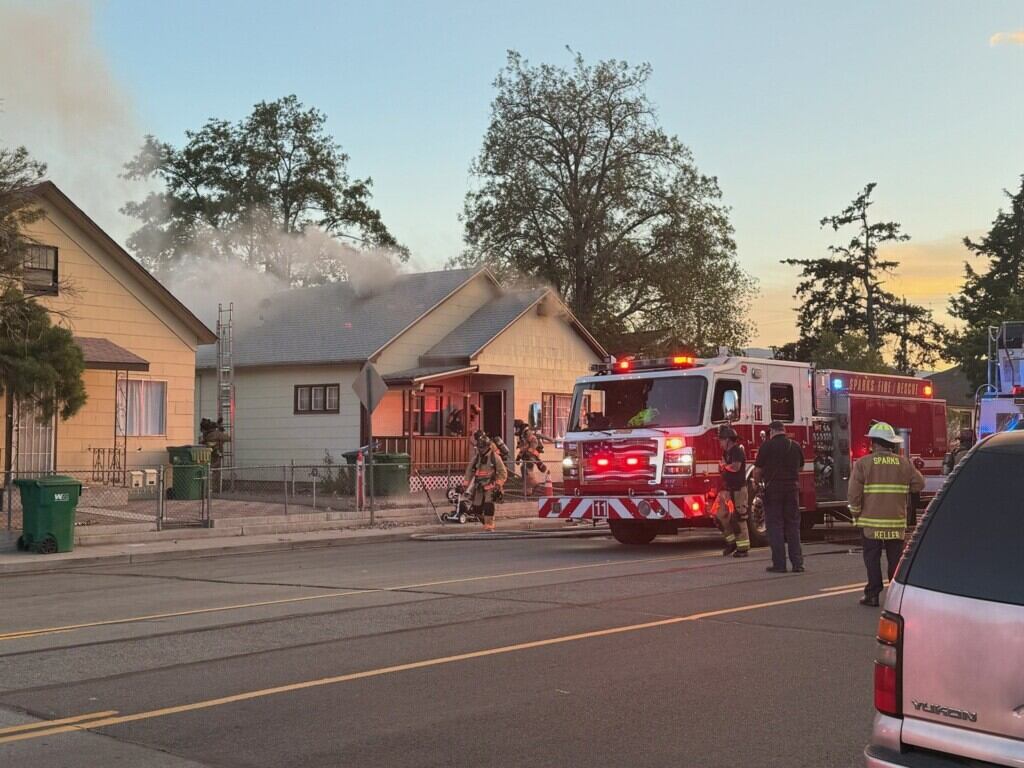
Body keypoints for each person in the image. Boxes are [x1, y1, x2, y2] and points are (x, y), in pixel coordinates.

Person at [849, 422, 925, 607]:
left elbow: (854, 493)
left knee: (872, 559)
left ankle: (872, 594)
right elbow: (919, 484)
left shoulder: (863, 463)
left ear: (874, 443)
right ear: (891, 443)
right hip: (895, 522)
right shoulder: (903, 463)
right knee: (896, 559)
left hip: (871, 523)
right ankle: (896, 595)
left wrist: (855, 513)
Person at [754, 420, 805, 573]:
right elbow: (801, 466)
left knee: (775, 526)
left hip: (773, 490)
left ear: (772, 431)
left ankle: (779, 564)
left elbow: (757, 470)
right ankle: (797, 564)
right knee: (793, 526)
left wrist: (757, 484)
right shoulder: (794, 445)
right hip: (792, 489)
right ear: (784, 430)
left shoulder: (766, 446)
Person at [713, 425, 749, 558]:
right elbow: (724, 467)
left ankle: (743, 548)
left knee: (739, 518)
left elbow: (736, 467)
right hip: (727, 490)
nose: (720, 443)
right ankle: (731, 542)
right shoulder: (726, 453)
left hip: (738, 490)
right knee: (719, 516)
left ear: (728, 440)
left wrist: (723, 466)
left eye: (721, 440)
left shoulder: (737, 451)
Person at [463, 434, 507, 531]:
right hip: (479, 486)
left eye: (482, 448)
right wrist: (465, 484)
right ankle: (486, 523)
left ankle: (489, 526)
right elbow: (469, 470)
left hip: (491, 486)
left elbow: (503, 472)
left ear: (487, 446)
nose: (480, 450)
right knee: (476, 508)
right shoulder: (477, 458)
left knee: (488, 506)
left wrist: (499, 484)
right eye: (479, 447)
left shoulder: (495, 457)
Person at [514, 419, 548, 494]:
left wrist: (529, 451)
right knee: (524, 471)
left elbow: (534, 441)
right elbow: (523, 447)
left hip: (531, 456)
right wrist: (518, 457)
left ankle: (536, 486)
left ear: (519, 427)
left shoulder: (527, 433)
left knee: (526, 470)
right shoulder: (521, 435)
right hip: (526, 456)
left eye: (516, 428)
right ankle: (527, 491)